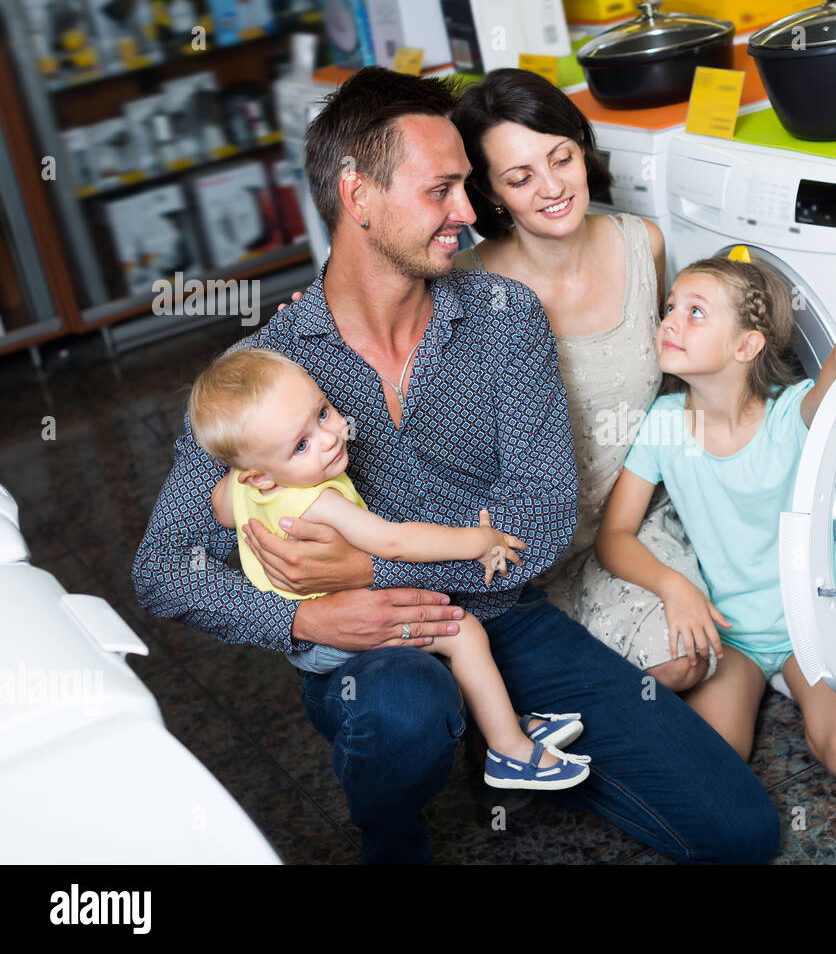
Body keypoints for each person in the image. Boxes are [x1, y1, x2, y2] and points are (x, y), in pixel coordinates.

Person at [132, 66, 779, 864]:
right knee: (402, 711)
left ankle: (498, 741)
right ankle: (396, 837)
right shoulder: (259, 373)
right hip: (377, 649)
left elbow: (539, 516)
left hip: (511, 622)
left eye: (469, 188)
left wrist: (362, 566)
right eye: (441, 190)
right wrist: (303, 618)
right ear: (358, 196)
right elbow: (164, 564)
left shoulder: (506, 318)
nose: (469, 215)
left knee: (741, 833)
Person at [187, 345, 590, 790]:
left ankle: (508, 722)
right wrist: (479, 540)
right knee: (465, 634)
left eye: (322, 413)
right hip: (332, 632)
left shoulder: (243, 484)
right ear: (261, 475)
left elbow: (222, 507)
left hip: (304, 633)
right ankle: (509, 753)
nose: (329, 438)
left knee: (449, 633)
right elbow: (395, 544)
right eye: (300, 445)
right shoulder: (323, 501)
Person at [451, 69, 718, 691]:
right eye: (519, 178)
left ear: (581, 146)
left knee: (680, 660)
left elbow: (682, 384)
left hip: (634, 520)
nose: (552, 188)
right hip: (517, 544)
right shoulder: (461, 286)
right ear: (489, 194)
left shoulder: (639, 245)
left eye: (561, 158)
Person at [595, 257, 836, 780]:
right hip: (730, 634)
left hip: (817, 624)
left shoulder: (790, 414)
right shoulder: (664, 426)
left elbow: (827, 391)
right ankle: (769, 683)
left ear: (746, 346)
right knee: (712, 763)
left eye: (694, 312)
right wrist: (676, 588)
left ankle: (798, 683)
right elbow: (613, 536)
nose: (669, 321)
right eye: (670, 308)